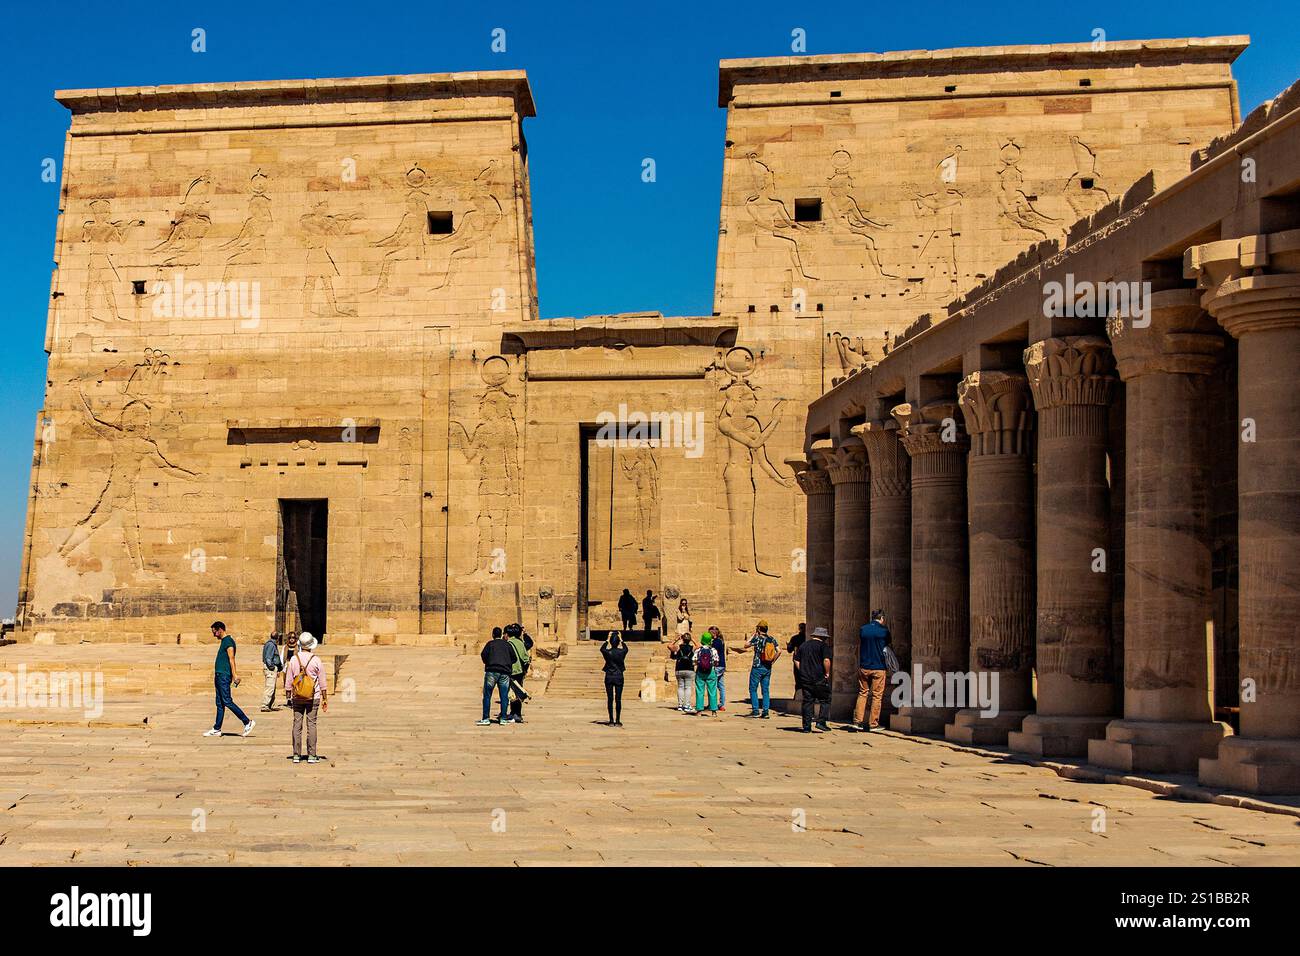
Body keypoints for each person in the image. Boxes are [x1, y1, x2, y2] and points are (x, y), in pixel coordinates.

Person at [203, 621, 255, 737]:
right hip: (219, 675)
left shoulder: (228, 641)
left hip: (224, 676)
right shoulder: (223, 641)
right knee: (220, 703)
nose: (214, 635)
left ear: (220, 629)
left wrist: (235, 675)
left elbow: (231, 659)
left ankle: (247, 722)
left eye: (214, 632)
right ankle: (217, 728)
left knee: (227, 701)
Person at [283, 632, 328, 763]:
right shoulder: (316, 660)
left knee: (297, 725)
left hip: (297, 696)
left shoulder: (293, 659)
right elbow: (323, 682)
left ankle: (296, 755)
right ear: (311, 645)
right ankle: (312, 755)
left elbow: (289, 680)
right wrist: (324, 698)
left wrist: (288, 695)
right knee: (311, 725)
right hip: (313, 697)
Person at [852, 610, 891, 732]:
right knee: (876, 696)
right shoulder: (884, 631)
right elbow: (888, 643)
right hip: (879, 666)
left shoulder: (863, 629)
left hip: (864, 666)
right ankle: (873, 723)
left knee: (863, 693)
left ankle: (857, 721)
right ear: (882, 618)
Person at [794, 625, 833, 732]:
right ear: (823, 637)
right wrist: (827, 672)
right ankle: (821, 721)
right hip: (819, 677)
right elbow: (826, 660)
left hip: (805, 679)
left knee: (807, 701)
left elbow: (796, 660)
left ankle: (806, 726)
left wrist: (802, 670)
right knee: (825, 699)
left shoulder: (804, 645)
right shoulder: (823, 646)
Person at [743, 622, 781, 718]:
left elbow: (746, 645)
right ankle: (765, 711)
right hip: (767, 667)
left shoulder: (757, 638)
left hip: (757, 666)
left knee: (753, 689)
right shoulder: (771, 639)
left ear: (759, 629)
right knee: (765, 690)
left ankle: (755, 711)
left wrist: (752, 636)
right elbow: (779, 651)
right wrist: (772, 661)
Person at [478, 626, 513, 725]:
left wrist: (488, 662)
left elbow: (483, 655)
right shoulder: (507, 645)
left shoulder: (490, 644)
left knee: (487, 695)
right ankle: (503, 718)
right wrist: (507, 664)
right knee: (504, 696)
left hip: (492, 671)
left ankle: (485, 718)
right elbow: (513, 658)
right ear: (501, 634)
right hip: (504, 672)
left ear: (493, 635)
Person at [601, 630, 629, 726]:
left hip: (609, 676)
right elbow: (626, 649)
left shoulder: (607, 652)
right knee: (618, 699)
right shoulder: (621, 652)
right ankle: (617, 720)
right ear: (618, 643)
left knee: (610, 699)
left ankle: (611, 720)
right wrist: (621, 639)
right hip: (619, 676)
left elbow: (602, 649)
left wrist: (607, 639)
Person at [505, 623, 531, 723]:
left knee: (511, 693)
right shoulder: (520, 643)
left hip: (510, 671)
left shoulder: (508, 643)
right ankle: (517, 713)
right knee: (518, 692)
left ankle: (514, 713)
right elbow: (526, 658)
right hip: (520, 671)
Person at [693, 633, 720, 716]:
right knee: (712, 691)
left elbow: (694, 661)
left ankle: (699, 710)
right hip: (711, 672)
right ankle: (714, 711)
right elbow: (717, 661)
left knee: (699, 691)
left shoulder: (698, 650)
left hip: (700, 672)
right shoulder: (713, 650)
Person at [669, 631, 696, 712]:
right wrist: (693, 640)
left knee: (680, 687)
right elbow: (699, 646)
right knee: (687, 687)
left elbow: (669, 646)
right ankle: (687, 705)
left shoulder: (678, 647)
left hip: (679, 669)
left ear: (683, 639)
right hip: (689, 669)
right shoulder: (692, 648)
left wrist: (676, 639)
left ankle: (680, 705)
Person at [260, 632, 283, 712]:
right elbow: (268, 658)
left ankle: (271, 704)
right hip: (270, 668)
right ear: (277, 638)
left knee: (272, 687)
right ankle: (264, 705)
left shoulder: (270, 644)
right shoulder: (271, 645)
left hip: (271, 668)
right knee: (270, 687)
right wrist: (272, 667)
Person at [708, 625, 728, 711]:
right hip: (722, 665)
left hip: (717, 665)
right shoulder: (721, 641)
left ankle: (713, 704)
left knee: (713, 685)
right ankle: (722, 704)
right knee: (721, 685)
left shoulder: (716, 642)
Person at [786, 621, 806, 701]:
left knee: (798, 680)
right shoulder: (807, 638)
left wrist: (788, 645)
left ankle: (798, 696)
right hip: (807, 661)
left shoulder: (795, 638)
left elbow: (789, 650)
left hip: (797, 661)